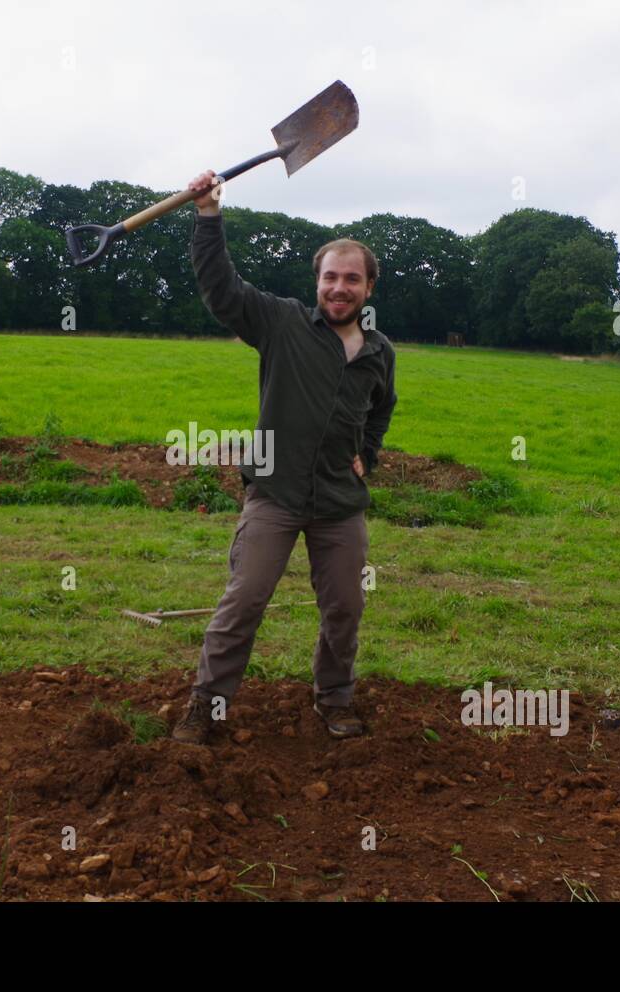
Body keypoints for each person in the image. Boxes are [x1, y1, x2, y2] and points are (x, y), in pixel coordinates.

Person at [172, 169, 398, 745]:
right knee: (244, 601)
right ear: (317, 281)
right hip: (274, 492)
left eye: (352, 279)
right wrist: (208, 217)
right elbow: (222, 290)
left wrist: (367, 454)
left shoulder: (379, 352)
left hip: (340, 504)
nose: (339, 287)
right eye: (330, 277)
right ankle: (207, 704)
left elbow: (381, 409)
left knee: (345, 608)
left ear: (369, 287)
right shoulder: (282, 322)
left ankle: (334, 700)